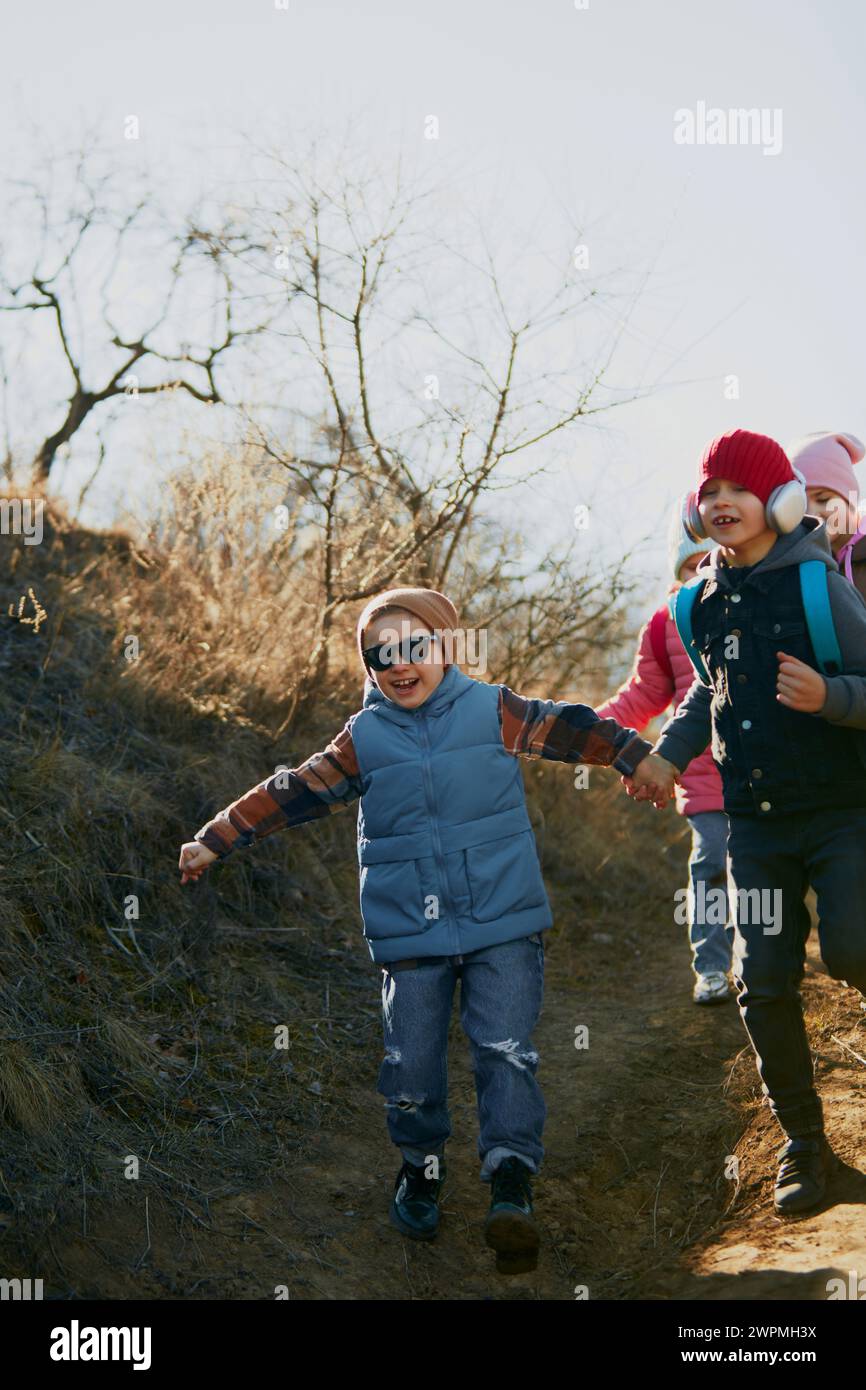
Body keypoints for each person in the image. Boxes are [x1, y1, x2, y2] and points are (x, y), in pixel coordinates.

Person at [178, 586, 661, 1271]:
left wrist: (634, 755)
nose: (399, 665)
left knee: (504, 1048)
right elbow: (292, 791)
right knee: (412, 1062)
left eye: (415, 648)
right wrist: (215, 839)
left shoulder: (493, 709)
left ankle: (512, 1178)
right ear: (369, 667)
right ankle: (422, 1166)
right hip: (412, 937)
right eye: (381, 656)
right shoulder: (364, 739)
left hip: (503, 923)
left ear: (445, 648)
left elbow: (574, 726)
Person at [627, 429, 866, 1215]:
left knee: (854, 948)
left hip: (841, 813)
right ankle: (806, 1146)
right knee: (759, 981)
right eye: (710, 492)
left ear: (781, 500)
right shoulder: (697, 603)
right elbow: (707, 692)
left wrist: (830, 699)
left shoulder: (818, 587)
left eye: (738, 488)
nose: (721, 502)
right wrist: (667, 754)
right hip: (754, 826)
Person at [596, 501, 732, 1004]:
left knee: (762, 869)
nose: (707, 571)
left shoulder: (755, 605)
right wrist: (588, 726)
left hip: (765, 772)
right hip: (699, 772)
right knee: (711, 863)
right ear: (679, 568)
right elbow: (644, 695)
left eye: (715, 559)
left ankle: (760, 960)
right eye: (695, 563)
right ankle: (714, 967)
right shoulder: (665, 623)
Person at [788, 430, 866, 601]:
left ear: (849, 498)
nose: (811, 513)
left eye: (824, 499)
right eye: (800, 503)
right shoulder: (804, 561)